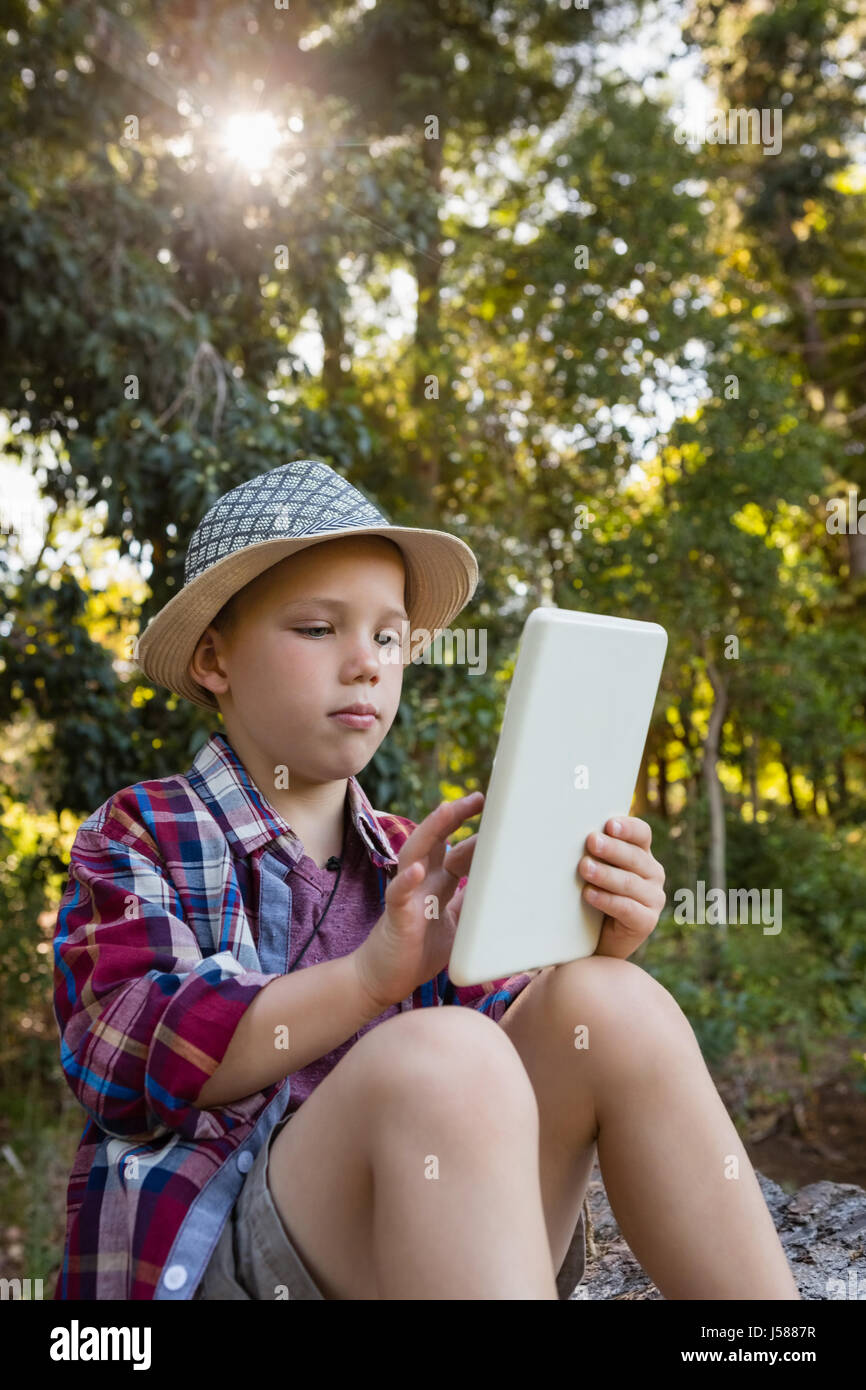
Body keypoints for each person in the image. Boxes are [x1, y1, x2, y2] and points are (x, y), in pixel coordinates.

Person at [52, 459, 801, 1301]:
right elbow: (127, 1051)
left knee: (608, 1004)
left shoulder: (410, 860)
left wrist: (590, 942)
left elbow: (518, 1042)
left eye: (387, 636)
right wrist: (371, 978)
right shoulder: (142, 833)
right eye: (316, 629)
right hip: (223, 1259)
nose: (366, 663)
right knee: (443, 1054)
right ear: (214, 659)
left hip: (428, 1247)